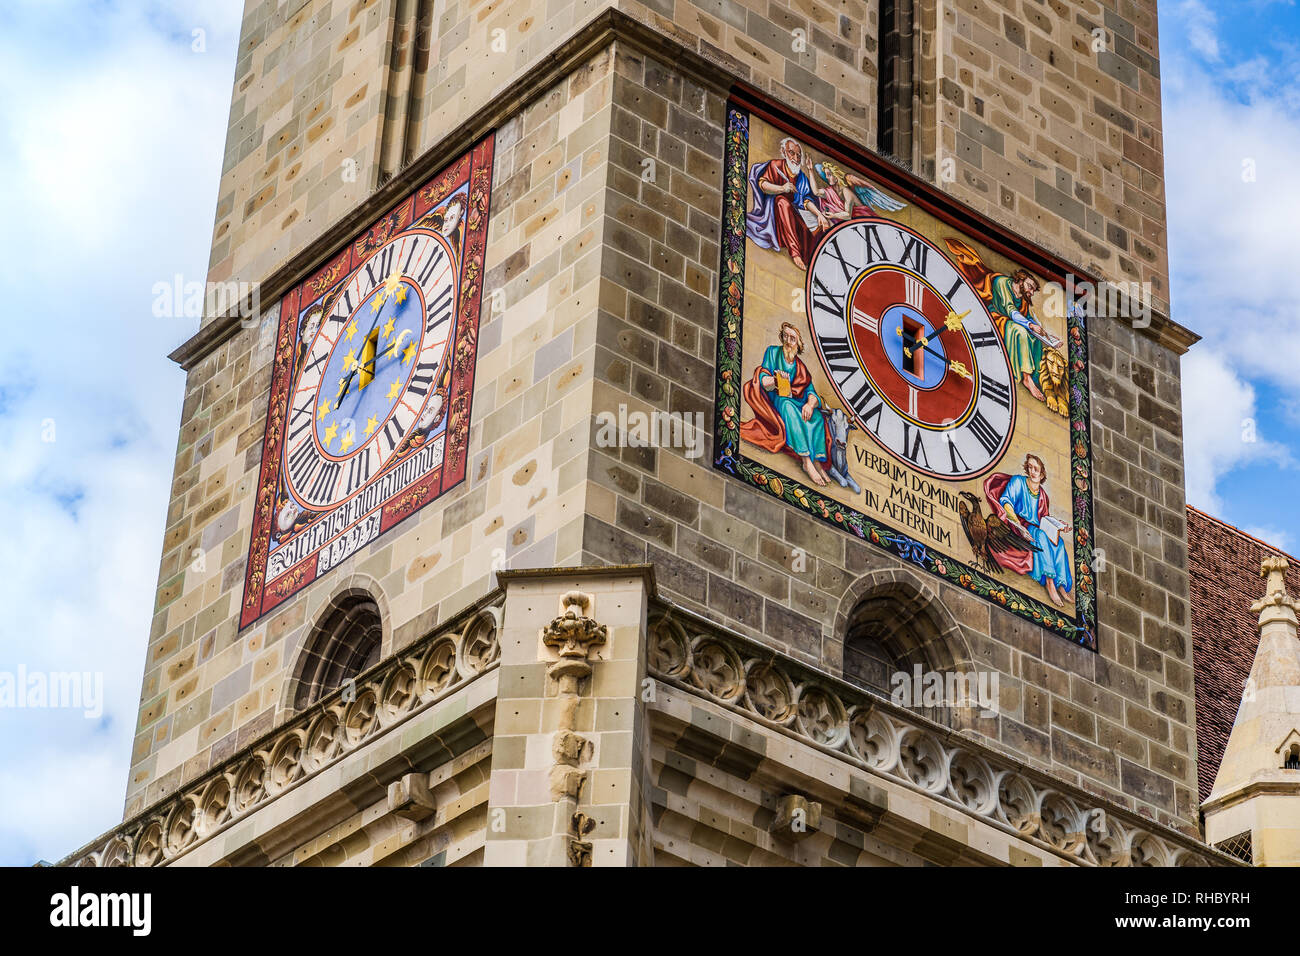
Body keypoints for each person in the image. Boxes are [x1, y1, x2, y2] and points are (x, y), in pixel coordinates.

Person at [740, 321, 830, 487]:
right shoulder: (773, 353)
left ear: (799, 343)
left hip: (797, 402)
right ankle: (806, 461)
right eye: (786, 337)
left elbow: (812, 393)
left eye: (793, 338)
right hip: (778, 400)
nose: (789, 341)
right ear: (782, 338)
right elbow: (762, 377)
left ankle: (817, 461)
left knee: (817, 417)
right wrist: (775, 380)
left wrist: (809, 405)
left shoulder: (801, 368)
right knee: (787, 406)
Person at [990, 454, 1073, 607]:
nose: (1032, 471)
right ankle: (1049, 582)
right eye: (1030, 467)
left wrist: (1059, 525)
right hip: (1018, 524)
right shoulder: (1018, 482)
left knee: (1059, 542)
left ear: (1042, 474)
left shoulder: (1042, 495)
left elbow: (1044, 518)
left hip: (1036, 527)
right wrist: (1019, 526)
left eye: (1036, 469)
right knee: (1041, 536)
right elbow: (1006, 502)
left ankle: (1061, 584)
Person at [746, 138, 830, 269]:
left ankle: (814, 260)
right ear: (783, 152)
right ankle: (795, 252)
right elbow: (763, 184)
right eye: (791, 153)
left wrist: (819, 214)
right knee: (782, 202)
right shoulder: (776, 166)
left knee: (818, 226)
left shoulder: (801, 178)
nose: (795, 158)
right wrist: (782, 188)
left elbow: (806, 200)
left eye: (798, 155)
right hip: (776, 219)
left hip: (795, 217)